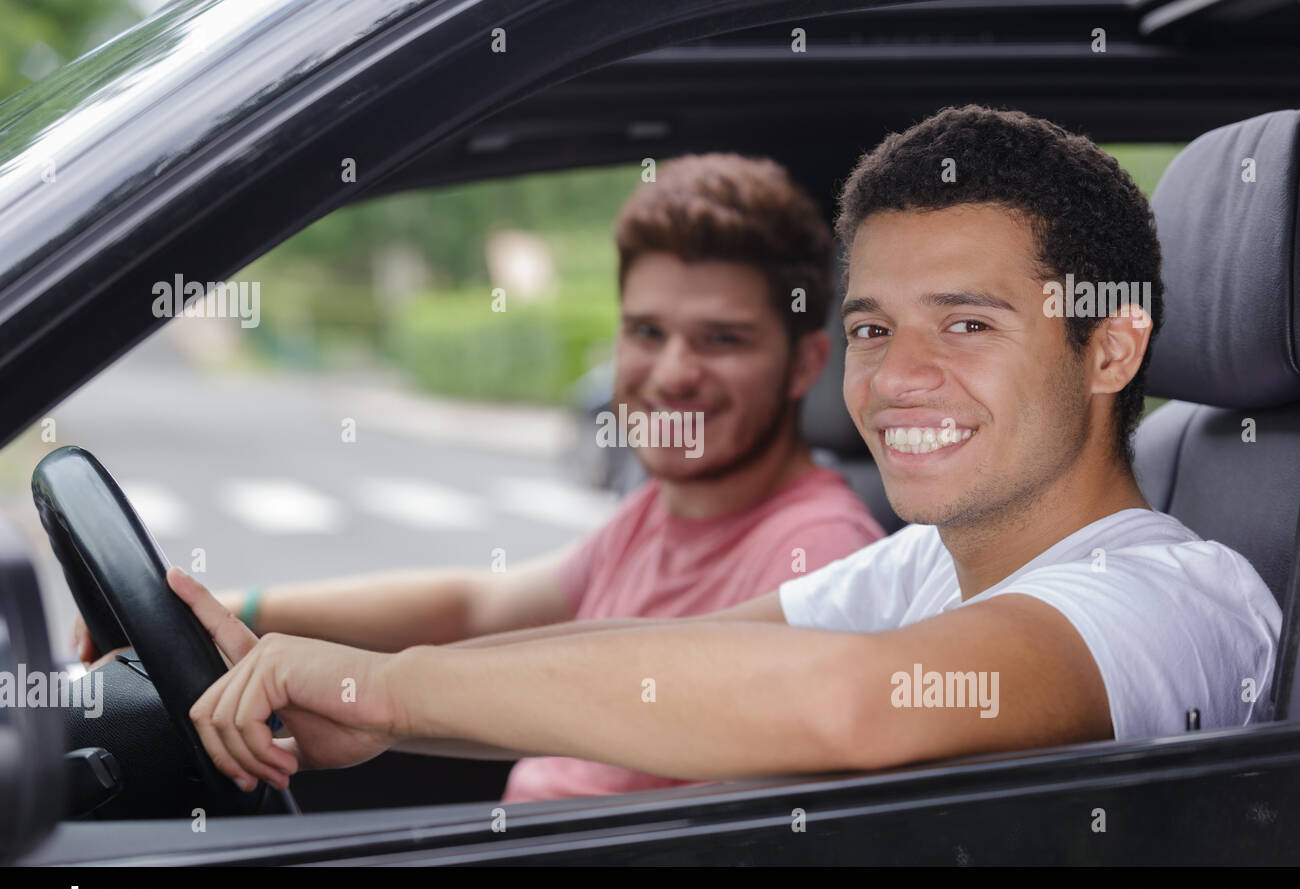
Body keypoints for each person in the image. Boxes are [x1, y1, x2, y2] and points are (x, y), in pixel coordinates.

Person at [154, 105, 1281, 794]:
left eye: (969, 324)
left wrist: (391, 689)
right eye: (872, 329)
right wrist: (355, 698)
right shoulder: (927, 564)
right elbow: (654, 650)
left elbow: (854, 702)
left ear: (1108, 349)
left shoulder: (1175, 595)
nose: (892, 378)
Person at [76, 153, 885, 801]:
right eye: (646, 330)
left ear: (803, 364)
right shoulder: (659, 514)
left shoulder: (817, 552)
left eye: (722, 340)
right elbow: (474, 606)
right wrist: (233, 615)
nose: (672, 373)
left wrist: (381, 701)